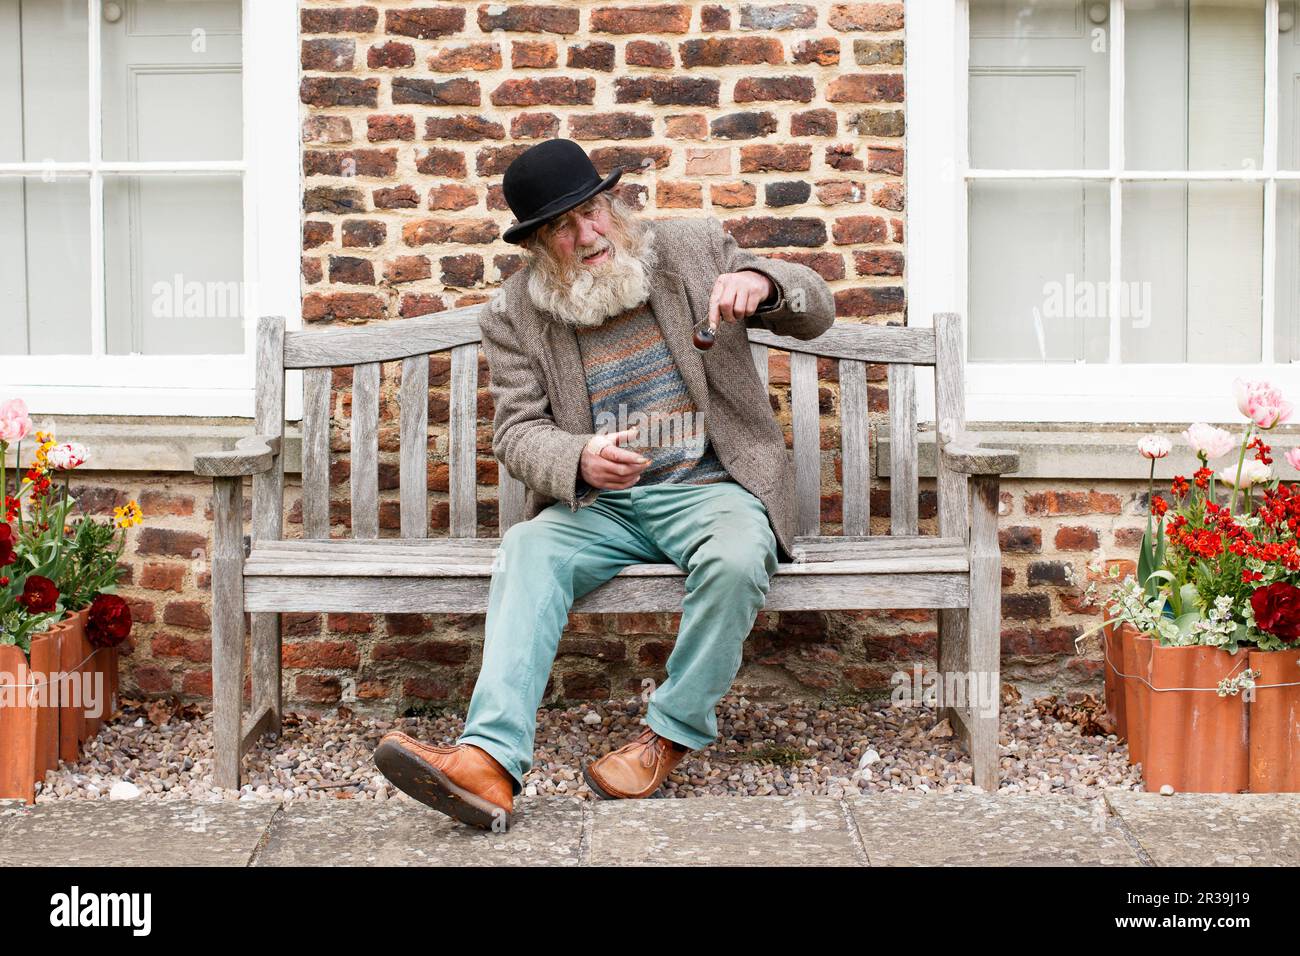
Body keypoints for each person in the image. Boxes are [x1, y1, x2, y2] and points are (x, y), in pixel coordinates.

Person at [374, 137, 835, 829]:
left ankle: (668, 736)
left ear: (612, 206)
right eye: (563, 227)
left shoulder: (692, 248)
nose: (588, 235)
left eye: (593, 212)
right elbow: (517, 434)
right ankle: (488, 763)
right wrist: (579, 458)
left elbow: (817, 308)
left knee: (740, 558)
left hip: (711, 489)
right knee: (529, 550)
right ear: (536, 244)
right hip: (605, 507)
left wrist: (766, 284)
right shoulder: (514, 315)